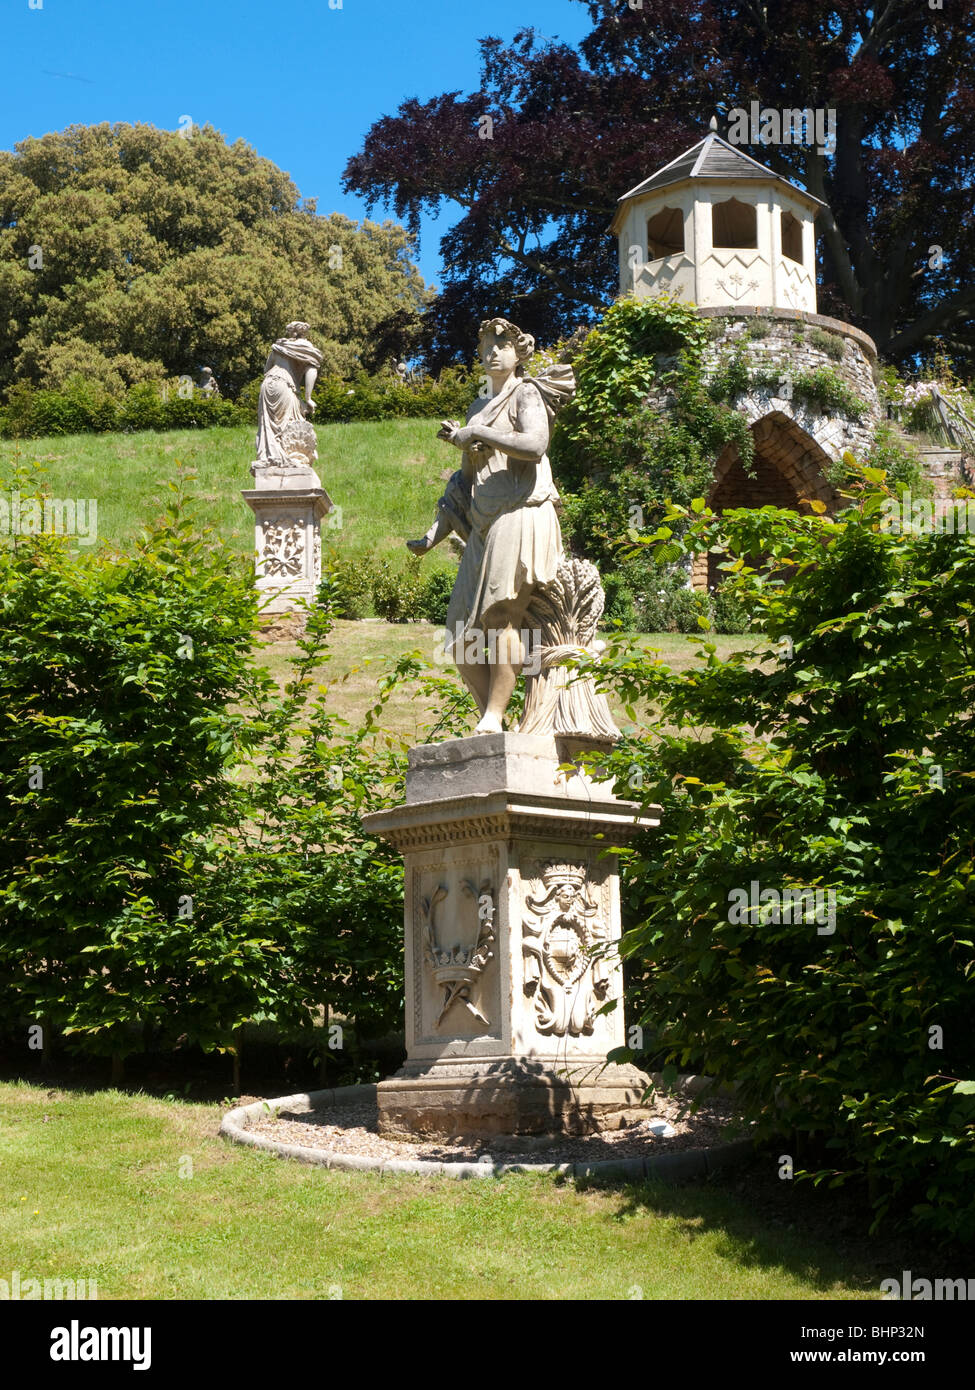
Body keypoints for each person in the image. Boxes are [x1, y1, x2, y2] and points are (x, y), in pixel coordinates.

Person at [412, 316, 573, 734]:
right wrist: (435, 532)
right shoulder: (477, 409)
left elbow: (536, 445)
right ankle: (499, 726)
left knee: (500, 616)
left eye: (500, 345)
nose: (490, 353)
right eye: (484, 346)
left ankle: (494, 717)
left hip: (522, 511)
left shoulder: (527, 394)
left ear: (519, 353)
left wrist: (480, 432)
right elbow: (464, 481)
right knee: (460, 637)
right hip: (484, 523)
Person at [255, 321, 323, 465]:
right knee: (289, 423)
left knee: (267, 424)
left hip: (267, 384)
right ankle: (287, 460)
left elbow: (267, 369)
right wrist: (308, 398)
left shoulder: (279, 346)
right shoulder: (305, 347)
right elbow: (312, 370)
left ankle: (269, 458)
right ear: (304, 333)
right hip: (285, 384)